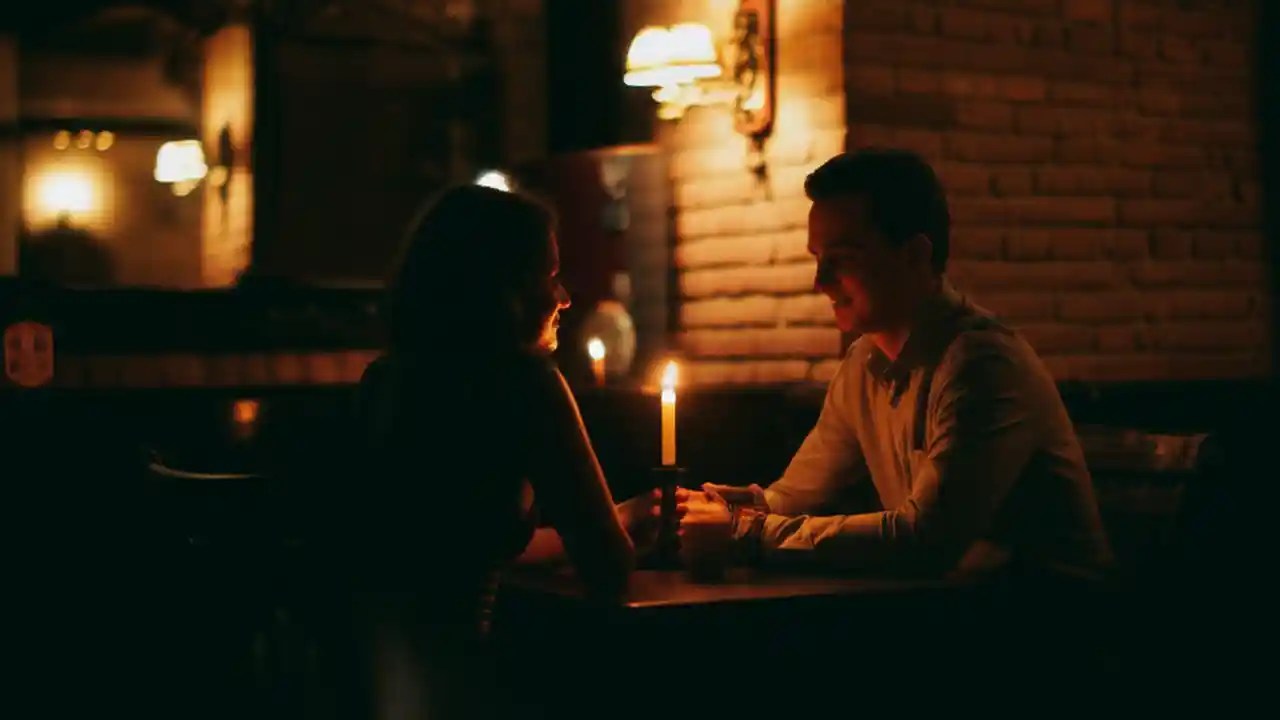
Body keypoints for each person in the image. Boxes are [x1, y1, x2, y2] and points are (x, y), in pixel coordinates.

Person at [678, 149, 1113, 579]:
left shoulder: (982, 365)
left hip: (1052, 629)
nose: (820, 281)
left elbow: (924, 539)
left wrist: (750, 533)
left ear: (915, 257)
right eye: (817, 258)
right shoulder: (864, 362)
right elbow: (796, 495)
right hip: (952, 617)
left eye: (842, 258)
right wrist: (728, 509)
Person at [344, 185, 649, 719]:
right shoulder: (525, 381)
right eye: (550, 276)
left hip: (369, 677)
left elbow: (453, 544)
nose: (565, 298)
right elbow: (607, 566)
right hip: (459, 685)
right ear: (505, 288)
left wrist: (626, 515)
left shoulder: (387, 378)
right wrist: (623, 534)